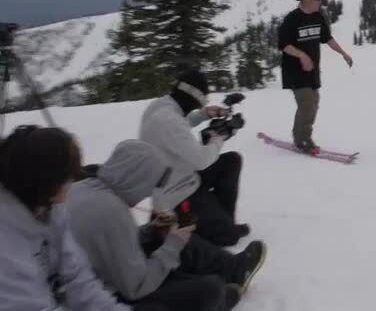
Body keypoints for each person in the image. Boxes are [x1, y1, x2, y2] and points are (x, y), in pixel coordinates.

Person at [66, 139, 266, 311]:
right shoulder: (113, 212)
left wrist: (150, 231)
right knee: (208, 289)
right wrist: (173, 245)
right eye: (151, 184)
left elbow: (111, 244)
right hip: (106, 297)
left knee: (162, 240)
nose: (148, 193)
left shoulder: (84, 188)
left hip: (101, 276)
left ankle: (234, 270)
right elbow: (136, 287)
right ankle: (218, 297)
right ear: (138, 178)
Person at [0, 124, 130, 311]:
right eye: (66, 176)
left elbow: (79, 280)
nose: (72, 182)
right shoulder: (6, 241)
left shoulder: (52, 212)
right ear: (44, 181)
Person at [139, 70, 248, 247]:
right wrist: (218, 138)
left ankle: (224, 221)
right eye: (200, 101)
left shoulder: (162, 107)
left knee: (231, 161)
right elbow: (202, 159)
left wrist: (205, 114)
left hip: (184, 177)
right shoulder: (168, 121)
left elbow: (182, 121)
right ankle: (198, 226)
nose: (199, 105)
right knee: (229, 238)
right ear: (192, 96)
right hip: (176, 194)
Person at [278, 0, 354, 154]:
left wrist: (343, 53)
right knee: (307, 104)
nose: (320, 2)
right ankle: (301, 139)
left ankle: (305, 135)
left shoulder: (318, 17)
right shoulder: (292, 19)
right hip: (294, 70)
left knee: (314, 103)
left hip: (312, 70)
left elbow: (328, 39)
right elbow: (283, 45)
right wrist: (302, 56)